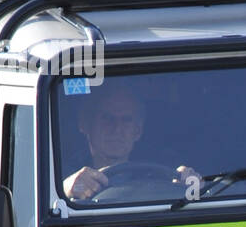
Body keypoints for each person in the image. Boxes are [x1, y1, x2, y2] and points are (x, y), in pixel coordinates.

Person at [62, 83, 199, 201]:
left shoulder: (164, 172)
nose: (117, 128)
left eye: (126, 120)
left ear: (138, 131)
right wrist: (65, 189)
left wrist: (191, 185)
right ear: (85, 124)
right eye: (107, 118)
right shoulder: (59, 171)